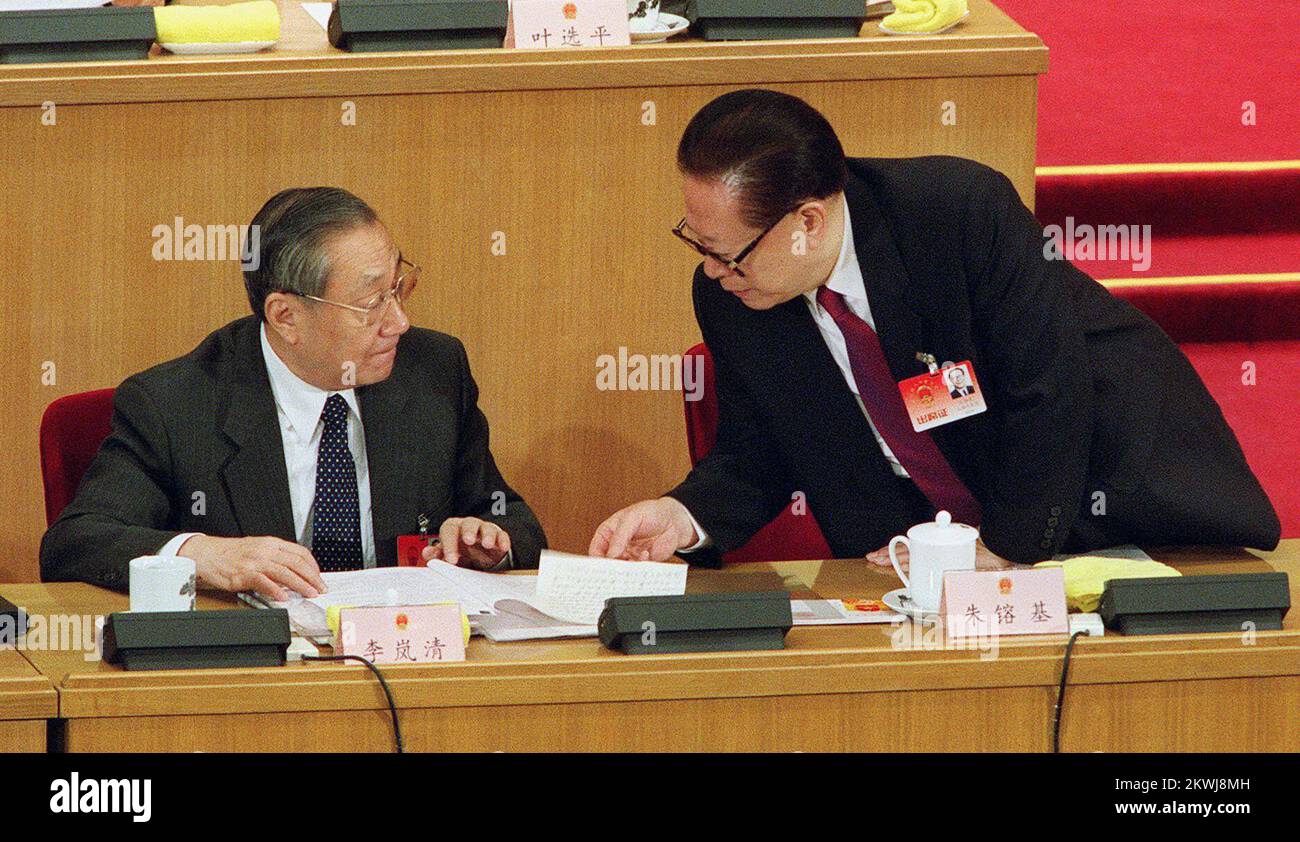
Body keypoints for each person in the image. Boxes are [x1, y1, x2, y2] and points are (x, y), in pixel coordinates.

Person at [588, 89, 1279, 569]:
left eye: (727, 252)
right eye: (697, 244)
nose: (713, 271)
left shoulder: (955, 215)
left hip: (1109, 498)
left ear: (807, 223)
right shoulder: (734, 297)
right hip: (926, 552)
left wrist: (1004, 550)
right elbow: (757, 449)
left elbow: (1049, 389)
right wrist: (681, 516)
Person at [42, 187, 545, 599]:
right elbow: (75, 543)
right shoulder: (176, 404)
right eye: (372, 303)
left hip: (403, 656)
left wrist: (489, 543)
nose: (399, 322)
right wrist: (203, 555)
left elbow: (509, 517)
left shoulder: (433, 371)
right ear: (285, 316)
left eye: (399, 288)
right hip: (256, 673)